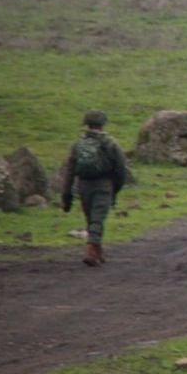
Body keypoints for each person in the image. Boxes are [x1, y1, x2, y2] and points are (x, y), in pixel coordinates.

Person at [60, 110, 129, 267]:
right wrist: (115, 188)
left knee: (91, 218)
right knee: (98, 218)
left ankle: (98, 251)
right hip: (104, 184)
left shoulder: (78, 144)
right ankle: (91, 250)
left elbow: (69, 171)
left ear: (86, 124)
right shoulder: (111, 143)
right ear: (103, 124)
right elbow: (121, 169)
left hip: (83, 185)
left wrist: (66, 194)